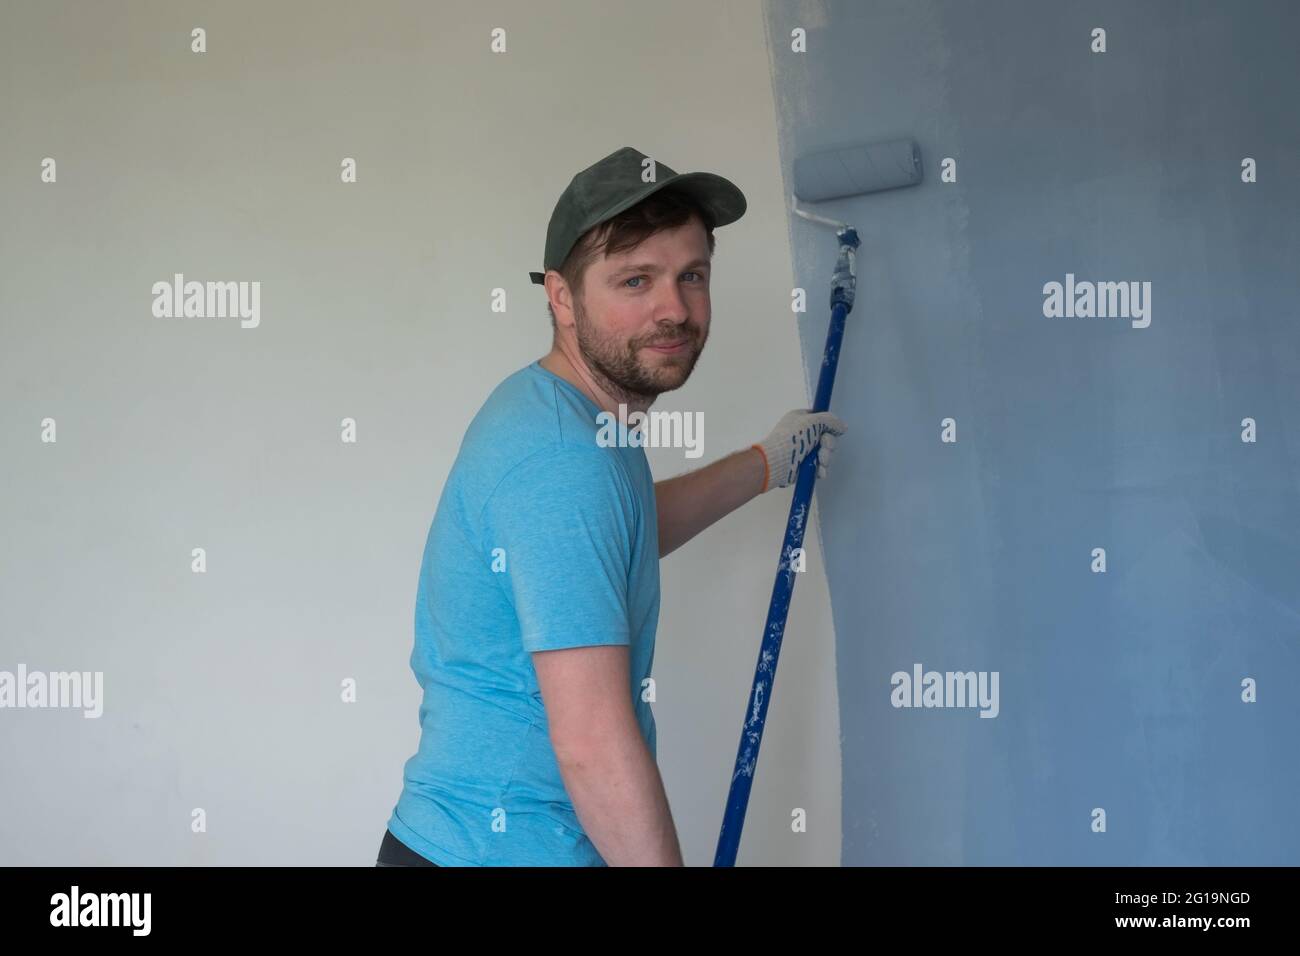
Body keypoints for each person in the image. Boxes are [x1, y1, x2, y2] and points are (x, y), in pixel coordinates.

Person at [378, 146, 845, 867]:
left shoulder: (558, 409)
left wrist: (765, 465)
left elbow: (618, 530)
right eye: (636, 279)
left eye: (692, 275)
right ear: (561, 297)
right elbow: (592, 741)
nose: (675, 308)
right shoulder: (565, 462)